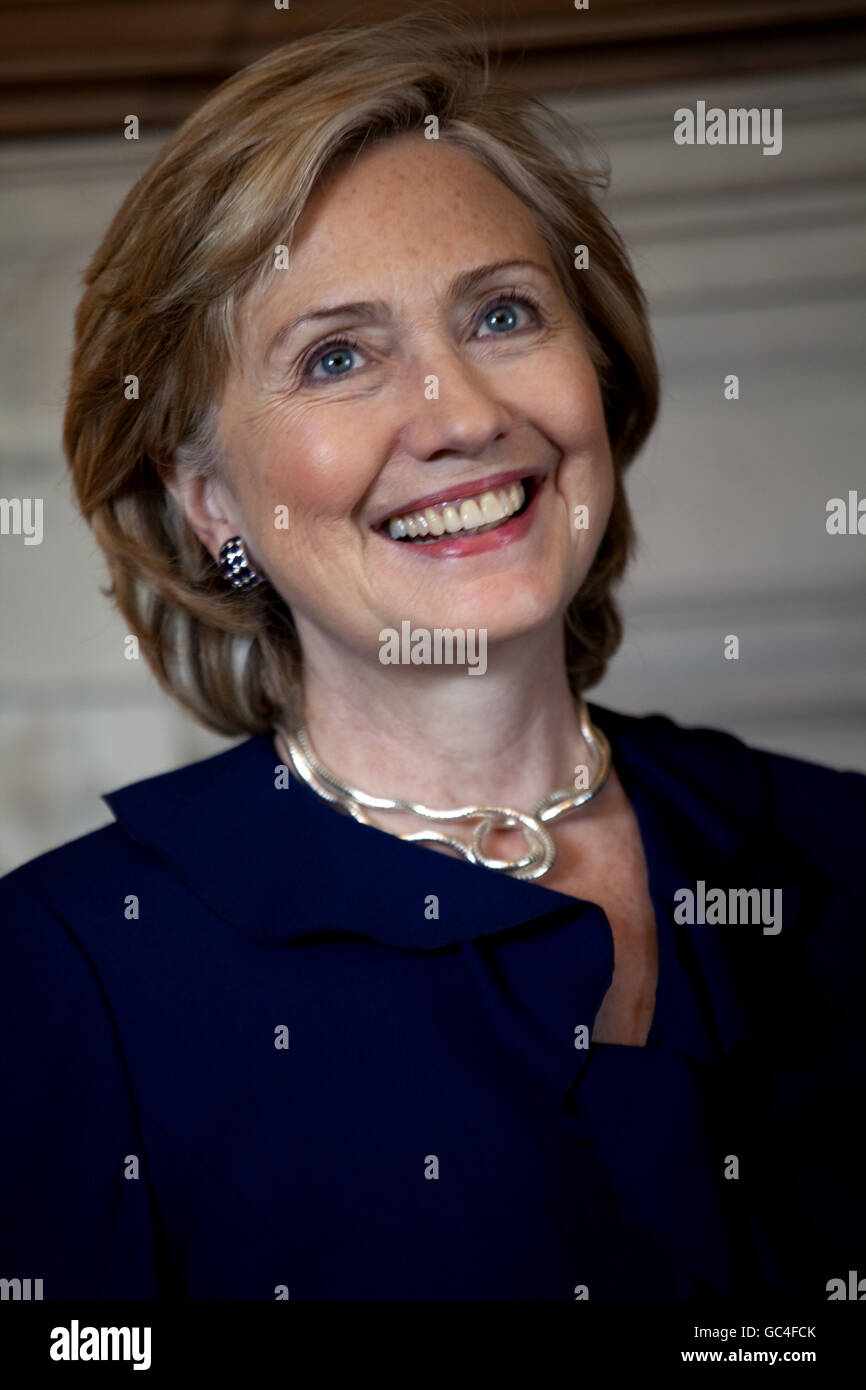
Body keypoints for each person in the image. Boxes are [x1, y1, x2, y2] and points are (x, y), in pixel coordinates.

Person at [1, 14, 864, 1302]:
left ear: (600, 375)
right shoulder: (69, 975)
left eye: (505, 314)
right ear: (208, 499)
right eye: (338, 356)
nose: (464, 414)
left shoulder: (842, 850)